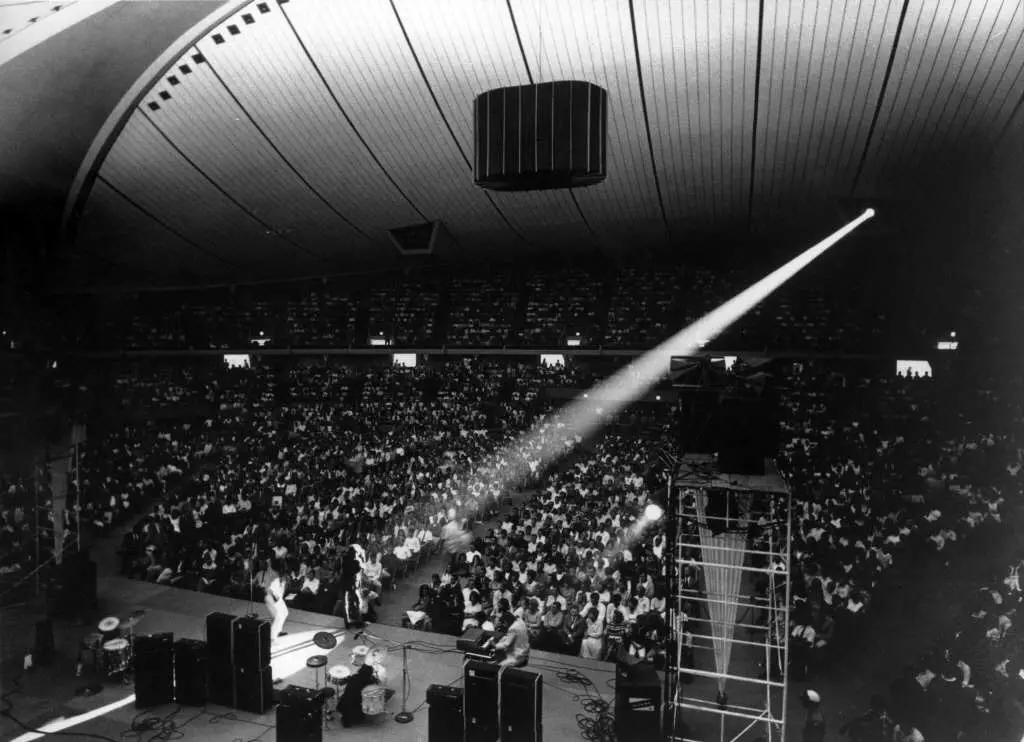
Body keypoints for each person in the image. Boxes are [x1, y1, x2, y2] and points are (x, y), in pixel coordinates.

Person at [486, 598, 531, 668]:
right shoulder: (520, 621)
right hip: (524, 651)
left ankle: (498, 664)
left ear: (506, 622)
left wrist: (494, 645)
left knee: (498, 667)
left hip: (517, 656)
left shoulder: (513, 628)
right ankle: (498, 659)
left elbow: (506, 645)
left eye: (504, 623)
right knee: (503, 639)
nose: (504, 625)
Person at [262, 557, 289, 643]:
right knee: (278, 617)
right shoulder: (274, 576)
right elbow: (269, 590)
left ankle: (278, 631)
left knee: (285, 612)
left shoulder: (282, 577)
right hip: (271, 597)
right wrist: (276, 600)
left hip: (277, 597)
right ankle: (272, 638)